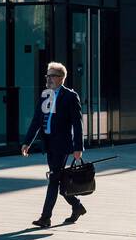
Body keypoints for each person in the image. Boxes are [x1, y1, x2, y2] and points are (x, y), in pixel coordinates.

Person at [20, 61, 87, 228]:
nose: (48, 78)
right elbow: (37, 120)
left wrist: (78, 148)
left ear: (61, 78)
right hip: (48, 144)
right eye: (47, 75)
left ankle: (45, 217)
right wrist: (27, 142)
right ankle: (76, 206)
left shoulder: (70, 96)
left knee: (54, 179)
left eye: (51, 76)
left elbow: (77, 124)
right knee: (57, 179)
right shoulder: (46, 94)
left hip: (62, 145)